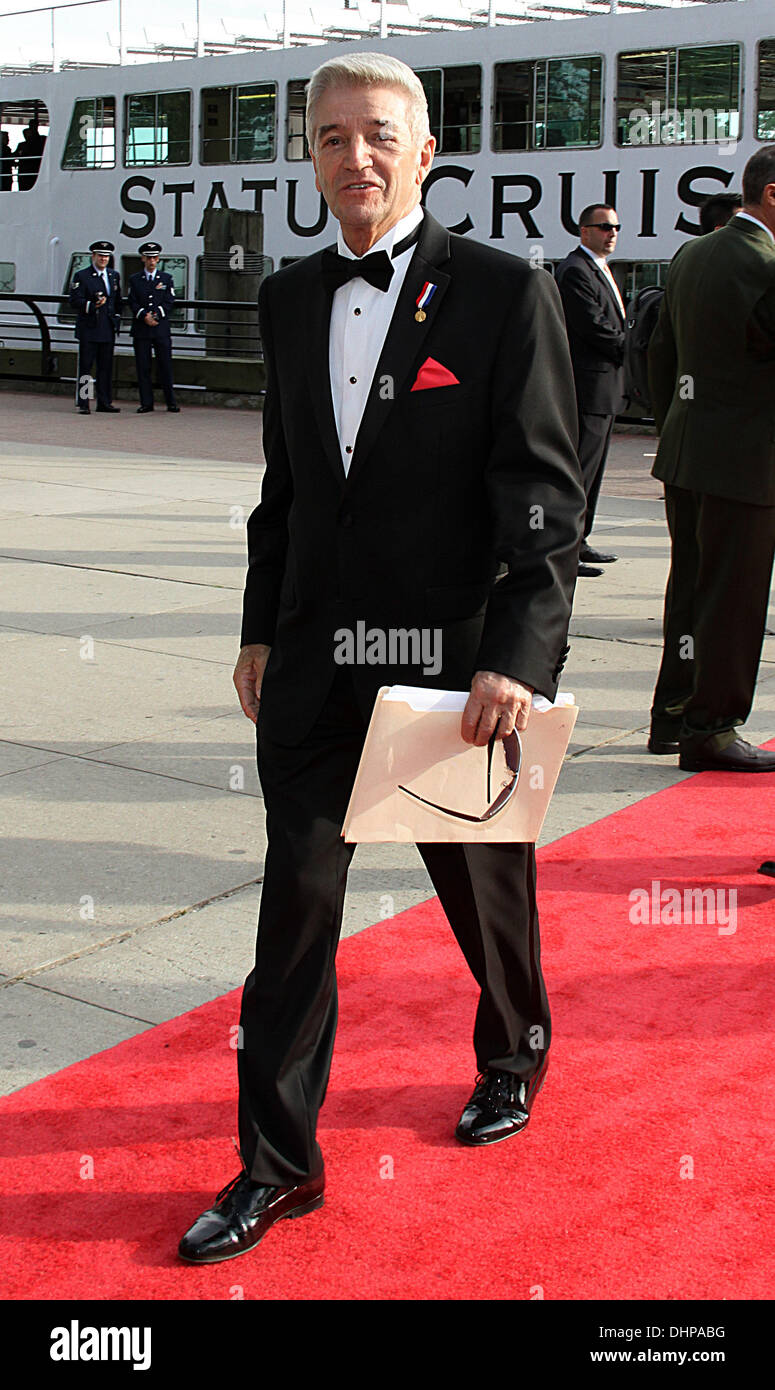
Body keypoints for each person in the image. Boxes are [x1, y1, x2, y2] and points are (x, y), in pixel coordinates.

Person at [177, 51, 585, 1266]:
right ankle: (278, 1164)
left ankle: (514, 1047)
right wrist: (259, 624)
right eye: (330, 137)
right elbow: (286, 490)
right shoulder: (293, 298)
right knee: (295, 907)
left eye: (377, 135)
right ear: (308, 156)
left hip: (446, 664)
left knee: (479, 888)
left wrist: (517, 651)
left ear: (422, 149)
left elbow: (543, 495)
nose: (354, 156)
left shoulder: (506, 292)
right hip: (313, 660)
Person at [647, 146, 775, 771]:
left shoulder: (695, 252)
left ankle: (672, 715)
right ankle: (712, 727)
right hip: (748, 462)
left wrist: (681, 418)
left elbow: (659, 354)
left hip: (688, 449)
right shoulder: (764, 265)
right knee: (733, 597)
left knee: (692, 590)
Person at [555, 205, 627, 577]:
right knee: (580, 471)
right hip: (587, 386)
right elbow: (592, 326)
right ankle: (567, 549)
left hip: (604, 386)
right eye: (603, 227)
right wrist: (628, 348)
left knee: (593, 472)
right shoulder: (575, 271)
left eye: (615, 226)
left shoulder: (598, 268)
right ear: (584, 231)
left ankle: (580, 541)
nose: (611, 233)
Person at [69, 239, 122, 414]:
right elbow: (75, 300)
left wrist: (117, 318)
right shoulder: (82, 276)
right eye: (100, 255)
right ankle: (84, 402)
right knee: (86, 367)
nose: (103, 259)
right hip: (89, 328)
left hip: (107, 327)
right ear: (93, 256)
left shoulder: (114, 276)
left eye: (106, 256)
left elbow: (117, 300)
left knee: (105, 367)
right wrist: (93, 305)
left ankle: (104, 402)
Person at [127, 242, 180, 412]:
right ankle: (146, 403)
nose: (151, 261)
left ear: (158, 259)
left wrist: (156, 314)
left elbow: (170, 301)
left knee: (165, 365)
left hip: (160, 328)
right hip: (142, 329)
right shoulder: (135, 279)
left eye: (154, 258)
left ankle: (171, 401)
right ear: (143, 259)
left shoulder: (166, 279)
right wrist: (144, 315)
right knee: (143, 367)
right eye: (148, 258)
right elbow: (132, 301)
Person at [14, 121, 45, 189]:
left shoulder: (41, 140)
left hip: (34, 169)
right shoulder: (22, 145)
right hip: (26, 171)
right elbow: (14, 155)